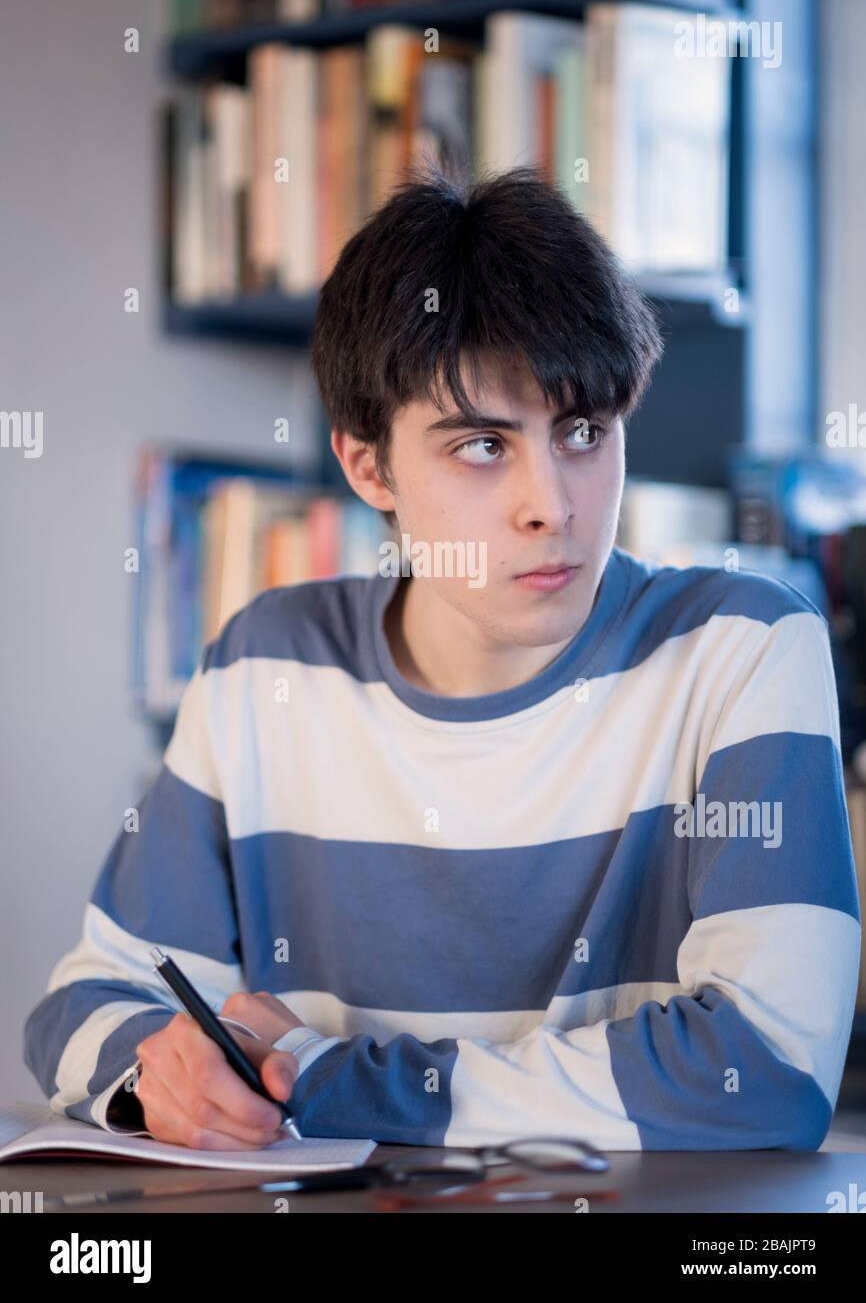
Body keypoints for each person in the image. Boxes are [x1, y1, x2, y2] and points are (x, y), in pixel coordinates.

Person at [23, 166, 861, 1150]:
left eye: (582, 431)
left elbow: (764, 1070)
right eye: (479, 446)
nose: (550, 503)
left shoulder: (741, 648)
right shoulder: (264, 667)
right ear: (367, 465)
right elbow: (84, 1005)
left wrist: (335, 1082)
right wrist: (160, 1078)